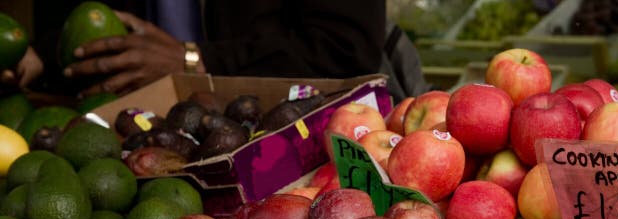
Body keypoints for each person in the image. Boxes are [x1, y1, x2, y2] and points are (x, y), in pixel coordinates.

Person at [3, 1, 394, 99]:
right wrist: (40, 56)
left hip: (279, 148)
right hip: (132, 143)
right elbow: (100, 20)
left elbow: (345, 48)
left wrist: (193, 60)